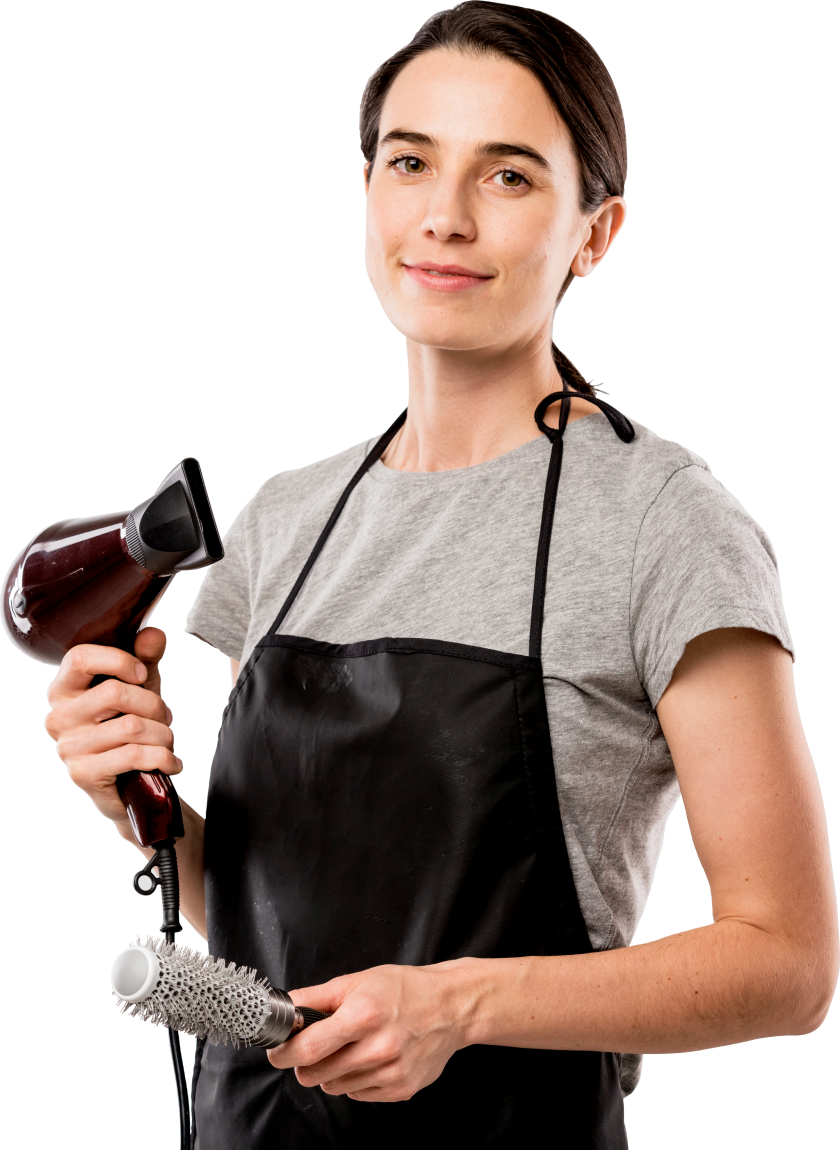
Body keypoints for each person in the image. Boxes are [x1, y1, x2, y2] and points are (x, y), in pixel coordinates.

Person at [44, 5, 838, 1148]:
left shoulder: (665, 523)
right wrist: (130, 803)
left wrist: (457, 1005)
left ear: (595, 231)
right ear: (369, 192)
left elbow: (788, 966)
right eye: (409, 161)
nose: (445, 217)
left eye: (508, 177)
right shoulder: (284, 521)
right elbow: (273, 912)